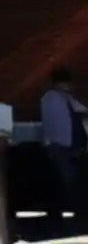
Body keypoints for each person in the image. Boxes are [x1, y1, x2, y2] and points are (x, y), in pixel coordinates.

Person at [40, 68, 87, 226]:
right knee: (64, 180)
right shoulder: (52, 98)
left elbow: (82, 111)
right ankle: (60, 212)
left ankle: (69, 211)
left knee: (69, 180)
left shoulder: (66, 98)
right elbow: (55, 124)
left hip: (69, 146)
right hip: (60, 146)